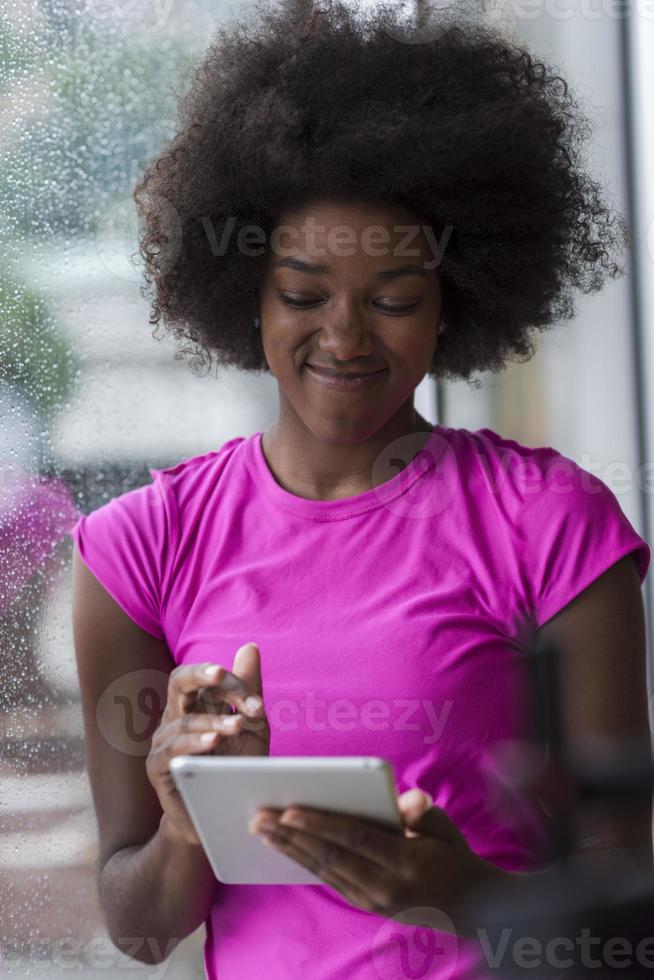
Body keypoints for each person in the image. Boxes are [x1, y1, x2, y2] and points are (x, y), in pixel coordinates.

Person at [70, 0, 652, 977]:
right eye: (303, 295)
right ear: (245, 296)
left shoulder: (552, 526)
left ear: (452, 304)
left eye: (392, 299)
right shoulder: (140, 548)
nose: (343, 337)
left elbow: (627, 908)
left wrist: (466, 897)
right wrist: (182, 825)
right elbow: (140, 926)